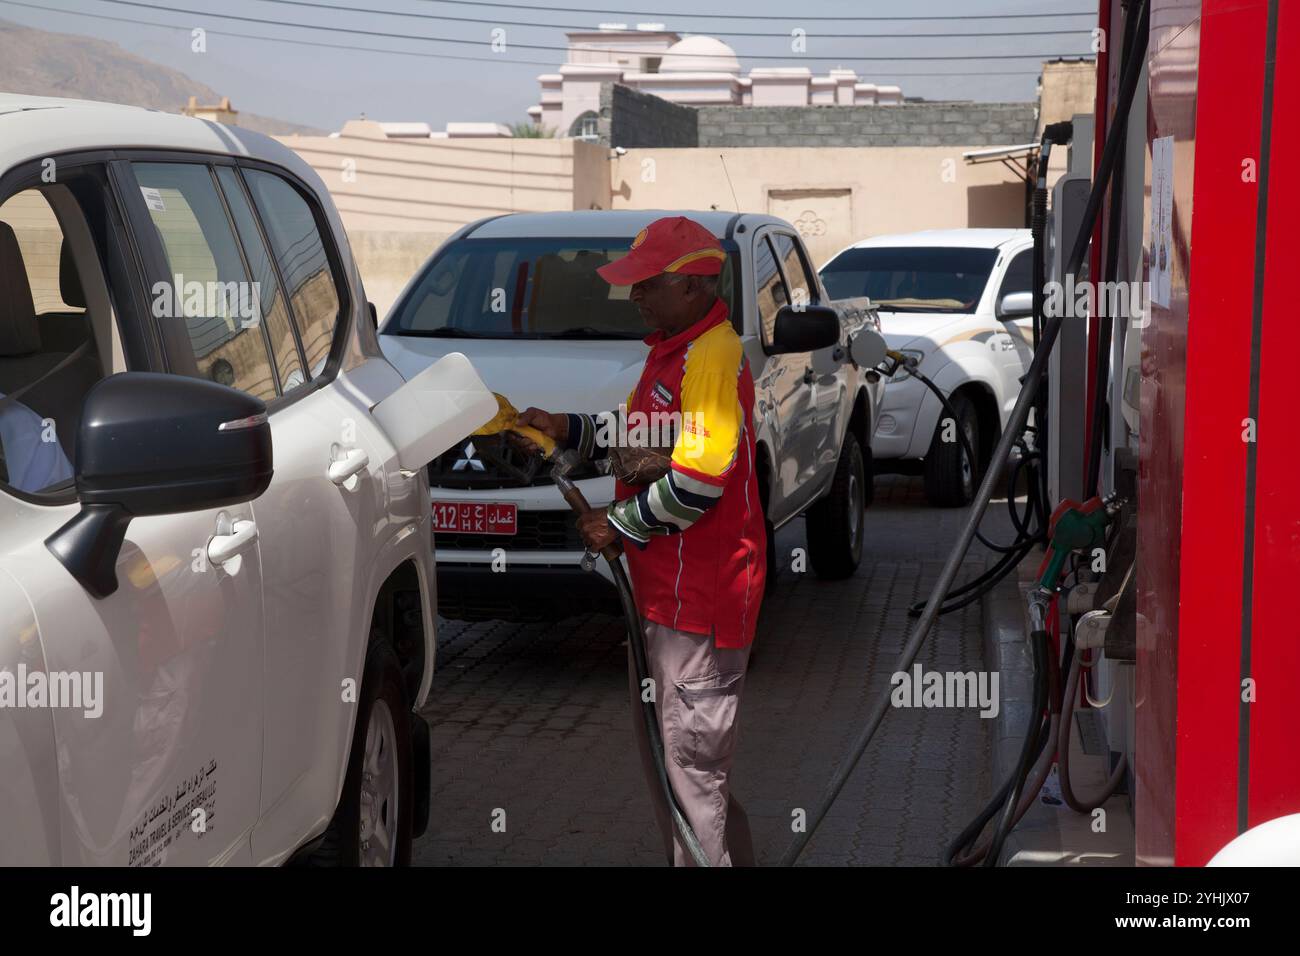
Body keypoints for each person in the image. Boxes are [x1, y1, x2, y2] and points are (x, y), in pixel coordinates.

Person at [517, 215, 766, 866]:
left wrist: (617, 525)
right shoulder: (669, 351)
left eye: (646, 285)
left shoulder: (712, 355)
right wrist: (567, 428)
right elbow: (644, 449)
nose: (634, 297)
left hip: (698, 607)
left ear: (691, 285)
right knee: (687, 774)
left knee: (690, 777)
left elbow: (701, 483)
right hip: (663, 600)